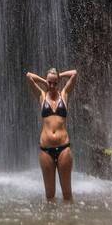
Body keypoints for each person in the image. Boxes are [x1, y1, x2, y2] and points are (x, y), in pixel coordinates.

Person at [25, 66, 77, 201]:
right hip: (46, 150)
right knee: (49, 195)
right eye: (50, 82)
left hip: (64, 148)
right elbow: (29, 76)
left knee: (67, 194)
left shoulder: (64, 94)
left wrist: (59, 75)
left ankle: (69, 222)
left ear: (59, 82)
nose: (52, 85)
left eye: (55, 83)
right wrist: (44, 81)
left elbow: (74, 74)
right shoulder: (42, 96)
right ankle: (52, 223)